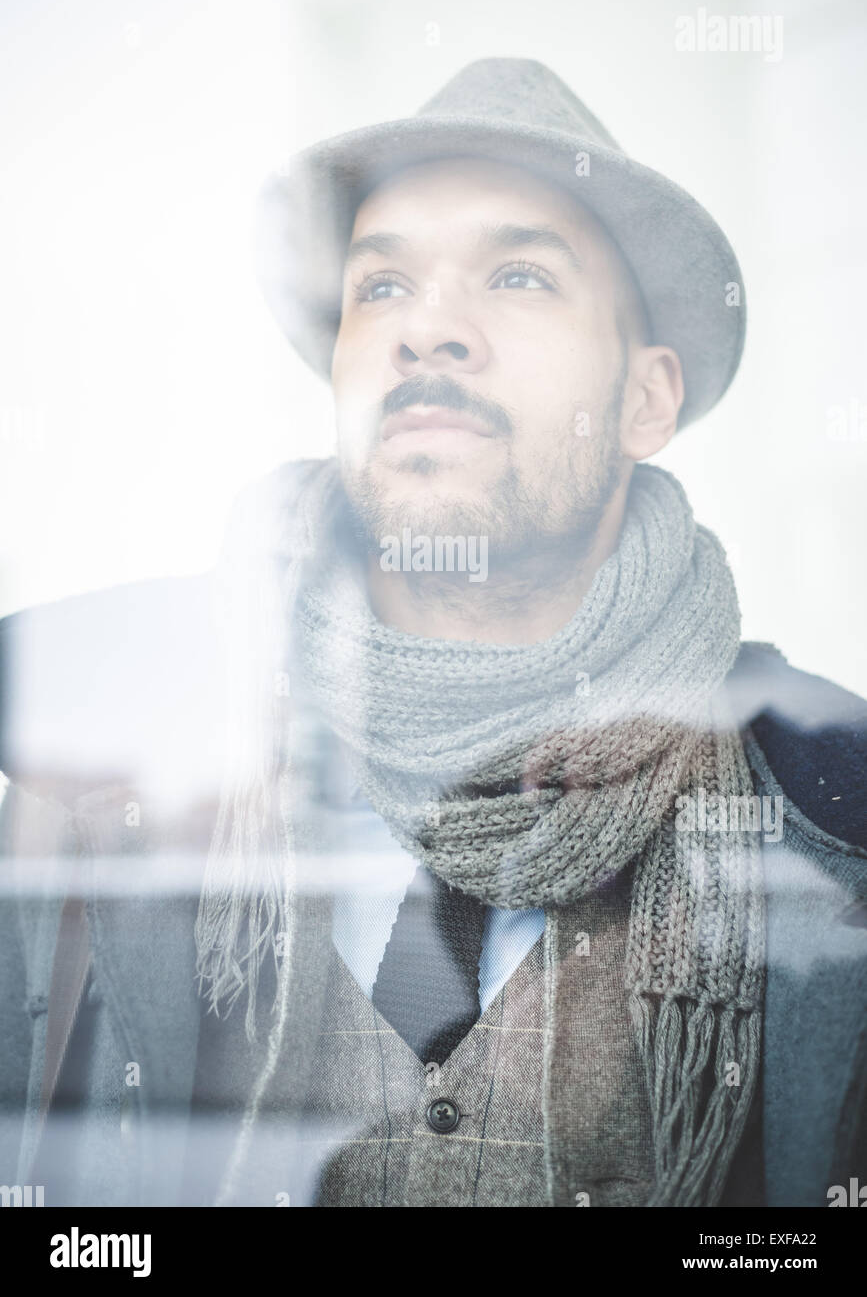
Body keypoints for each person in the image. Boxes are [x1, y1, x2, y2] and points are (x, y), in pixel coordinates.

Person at [1, 59, 864, 1209]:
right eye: (384, 287)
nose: (430, 332)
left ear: (646, 400)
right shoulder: (97, 753)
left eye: (519, 275)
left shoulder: (827, 803)